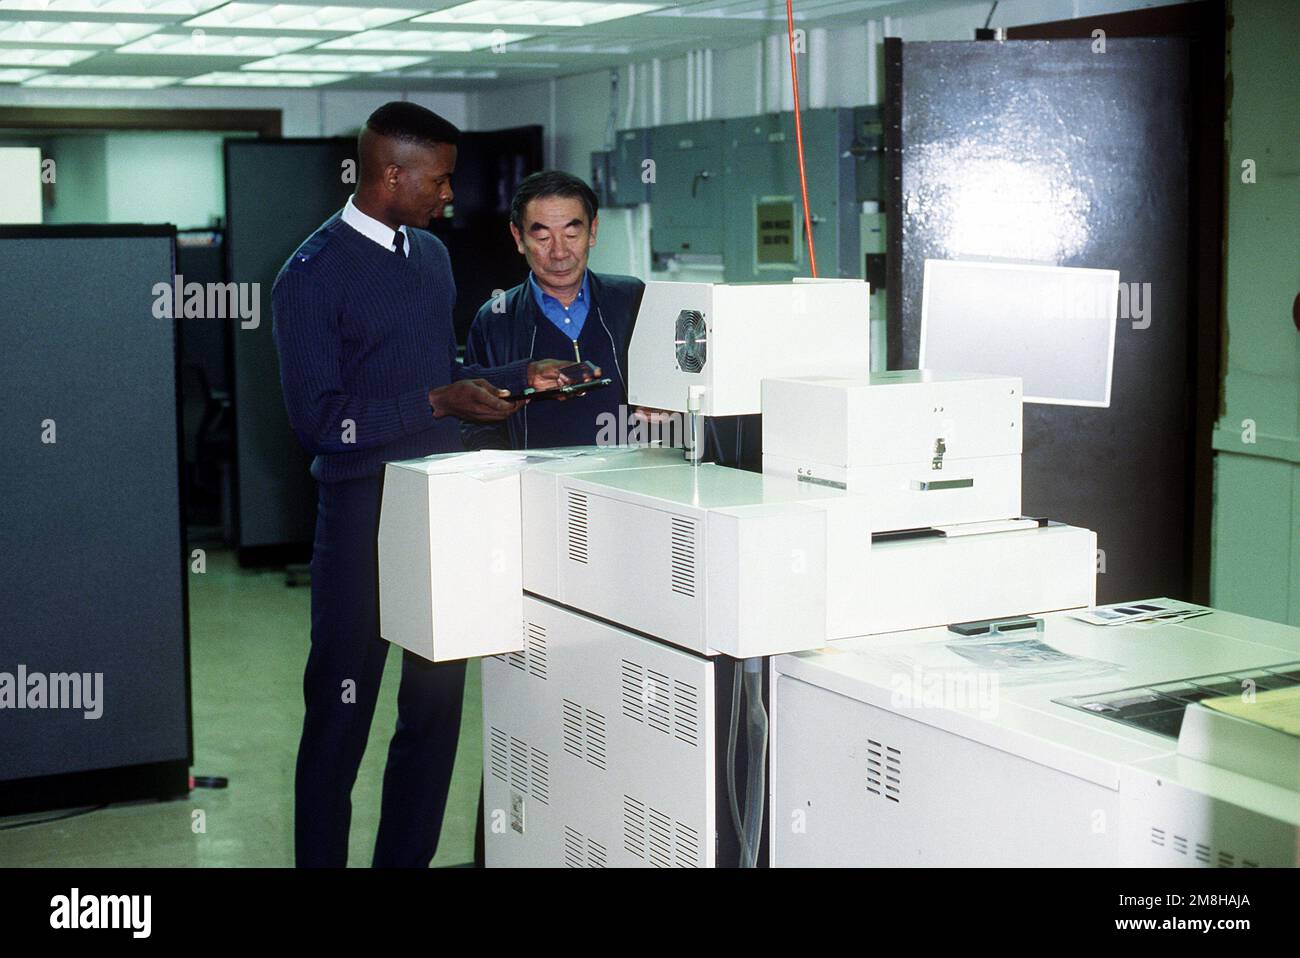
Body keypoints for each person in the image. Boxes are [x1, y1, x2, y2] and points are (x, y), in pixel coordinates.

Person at [271, 101, 580, 868]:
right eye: (439, 181)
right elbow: (320, 423)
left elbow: (439, 375)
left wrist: (518, 377)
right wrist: (437, 402)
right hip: (360, 517)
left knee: (435, 715)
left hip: (444, 512)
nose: (450, 196)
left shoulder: (432, 258)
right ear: (390, 174)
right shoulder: (309, 276)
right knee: (339, 722)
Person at [463, 170, 645, 451]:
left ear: (592, 231)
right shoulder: (494, 319)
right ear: (519, 238)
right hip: (535, 486)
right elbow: (475, 421)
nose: (560, 253)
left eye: (572, 233)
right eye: (543, 238)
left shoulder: (634, 299)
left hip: (628, 480)